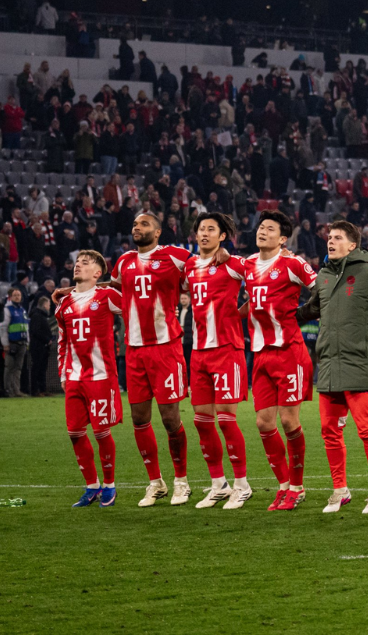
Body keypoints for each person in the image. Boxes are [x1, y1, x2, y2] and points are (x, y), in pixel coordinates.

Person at [300, 219, 368, 515]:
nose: (330, 241)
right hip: (330, 364)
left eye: (337, 238)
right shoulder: (323, 275)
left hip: (360, 362)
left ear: (353, 245)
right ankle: (340, 489)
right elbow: (310, 310)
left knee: (366, 428)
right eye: (329, 237)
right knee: (328, 429)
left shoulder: (367, 272)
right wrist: (276, 314)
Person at [105, 211, 193, 506]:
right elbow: (116, 288)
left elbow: (201, 266)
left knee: (170, 419)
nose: (137, 228)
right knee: (139, 418)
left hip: (166, 347)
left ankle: (182, 481)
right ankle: (156, 482)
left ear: (158, 232)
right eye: (134, 224)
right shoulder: (123, 262)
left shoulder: (175, 256)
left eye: (144, 224)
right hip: (134, 349)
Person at [245, 211, 318, 511]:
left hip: (290, 352)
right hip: (261, 353)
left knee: (289, 421)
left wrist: (303, 313)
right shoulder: (248, 264)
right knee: (263, 423)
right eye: (261, 227)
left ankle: (297, 486)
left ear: (283, 238)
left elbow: (320, 288)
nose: (262, 231)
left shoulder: (292, 263)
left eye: (270, 229)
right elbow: (252, 300)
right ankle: (283, 485)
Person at [184, 212, 253, 510]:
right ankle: (218, 484)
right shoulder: (189, 265)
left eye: (211, 229)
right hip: (198, 353)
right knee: (202, 422)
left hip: (227, 349)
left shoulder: (233, 263)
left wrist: (238, 315)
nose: (205, 234)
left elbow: (262, 281)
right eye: (201, 229)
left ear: (223, 236)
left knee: (226, 419)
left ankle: (242, 484)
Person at [57, 250, 123, 507]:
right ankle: (91, 485)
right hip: (74, 376)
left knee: (101, 431)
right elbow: (62, 341)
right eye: (77, 262)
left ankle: (109, 485)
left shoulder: (107, 296)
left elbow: (133, 304)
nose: (78, 266)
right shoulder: (63, 303)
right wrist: (63, 373)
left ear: (98, 273)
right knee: (74, 432)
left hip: (101, 376)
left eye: (86, 263)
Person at [0, 289, 30, 398]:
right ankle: (8, 390)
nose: (17, 297)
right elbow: (3, 328)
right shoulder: (7, 310)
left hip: (22, 343)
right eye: (15, 295)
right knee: (9, 367)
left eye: (19, 295)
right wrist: (5, 343)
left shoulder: (22, 310)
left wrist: (27, 342)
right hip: (12, 343)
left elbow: (26, 328)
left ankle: (16, 390)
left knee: (18, 368)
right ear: (10, 297)